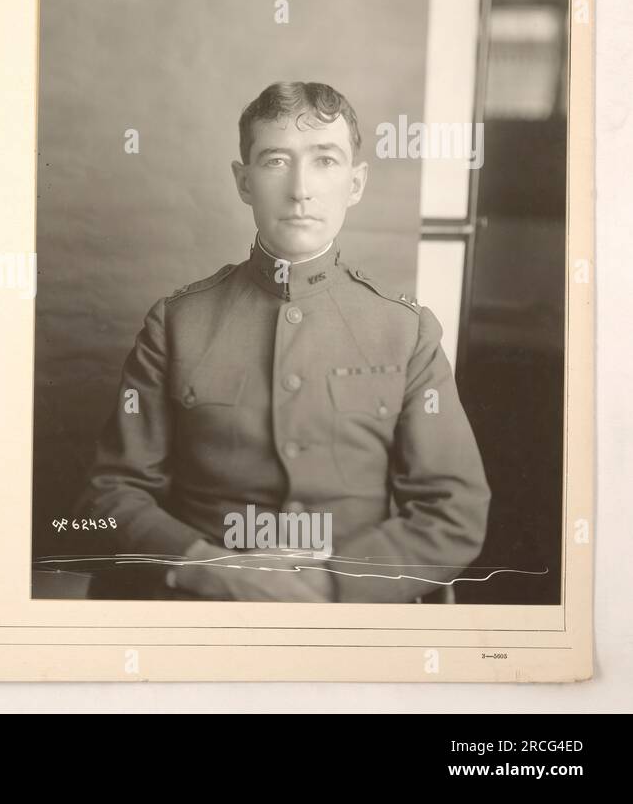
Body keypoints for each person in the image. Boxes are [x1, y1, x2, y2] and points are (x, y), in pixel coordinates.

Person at [74, 81, 490, 603]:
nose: (300, 189)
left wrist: (330, 585)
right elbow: (109, 496)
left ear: (356, 182)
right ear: (243, 181)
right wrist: (211, 568)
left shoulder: (405, 332)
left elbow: (454, 511)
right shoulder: (178, 322)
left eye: (325, 161)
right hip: (206, 611)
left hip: (355, 617)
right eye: (275, 161)